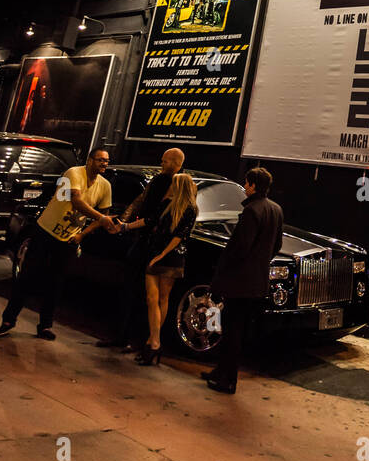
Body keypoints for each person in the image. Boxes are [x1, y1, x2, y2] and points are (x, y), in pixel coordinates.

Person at [0, 147, 119, 341]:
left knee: (56, 282)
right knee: (27, 276)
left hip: (68, 239)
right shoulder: (73, 173)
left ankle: (45, 326)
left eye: (107, 161)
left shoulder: (105, 186)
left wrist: (82, 235)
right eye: (100, 159)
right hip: (45, 231)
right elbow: (76, 201)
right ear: (90, 160)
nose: (104, 163)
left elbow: (103, 216)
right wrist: (102, 218)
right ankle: (8, 320)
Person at [202, 166, 283, 394]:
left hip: (238, 282)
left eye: (247, 183)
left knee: (230, 332)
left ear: (253, 185)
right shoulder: (276, 209)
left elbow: (239, 248)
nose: (245, 187)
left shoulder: (251, 211)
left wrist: (223, 275)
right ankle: (220, 372)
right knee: (239, 330)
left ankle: (227, 379)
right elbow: (276, 245)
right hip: (257, 282)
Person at [95, 147, 185, 350]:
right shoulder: (159, 180)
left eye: (165, 161)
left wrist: (126, 225)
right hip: (145, 240)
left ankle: (146, 341)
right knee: (133, 290)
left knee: (150, 296)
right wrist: (124, 221)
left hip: (156, 244)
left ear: (176, 163)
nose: (161, 163)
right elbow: (140, 201)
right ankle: (128, 336)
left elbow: (159, 216)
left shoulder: (176, 184)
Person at [137, 172, 198, 365]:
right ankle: (154, 341)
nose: (170, 186)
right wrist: (125, 226)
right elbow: (149, 221)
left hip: (169, 256)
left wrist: (161, 255)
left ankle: (152, 342)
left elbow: (180, 236)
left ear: (179, 186)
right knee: (152, 299)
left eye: (173, 184)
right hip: (159, 253)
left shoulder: (190, 209)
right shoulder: (166, 204)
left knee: (161, 298)